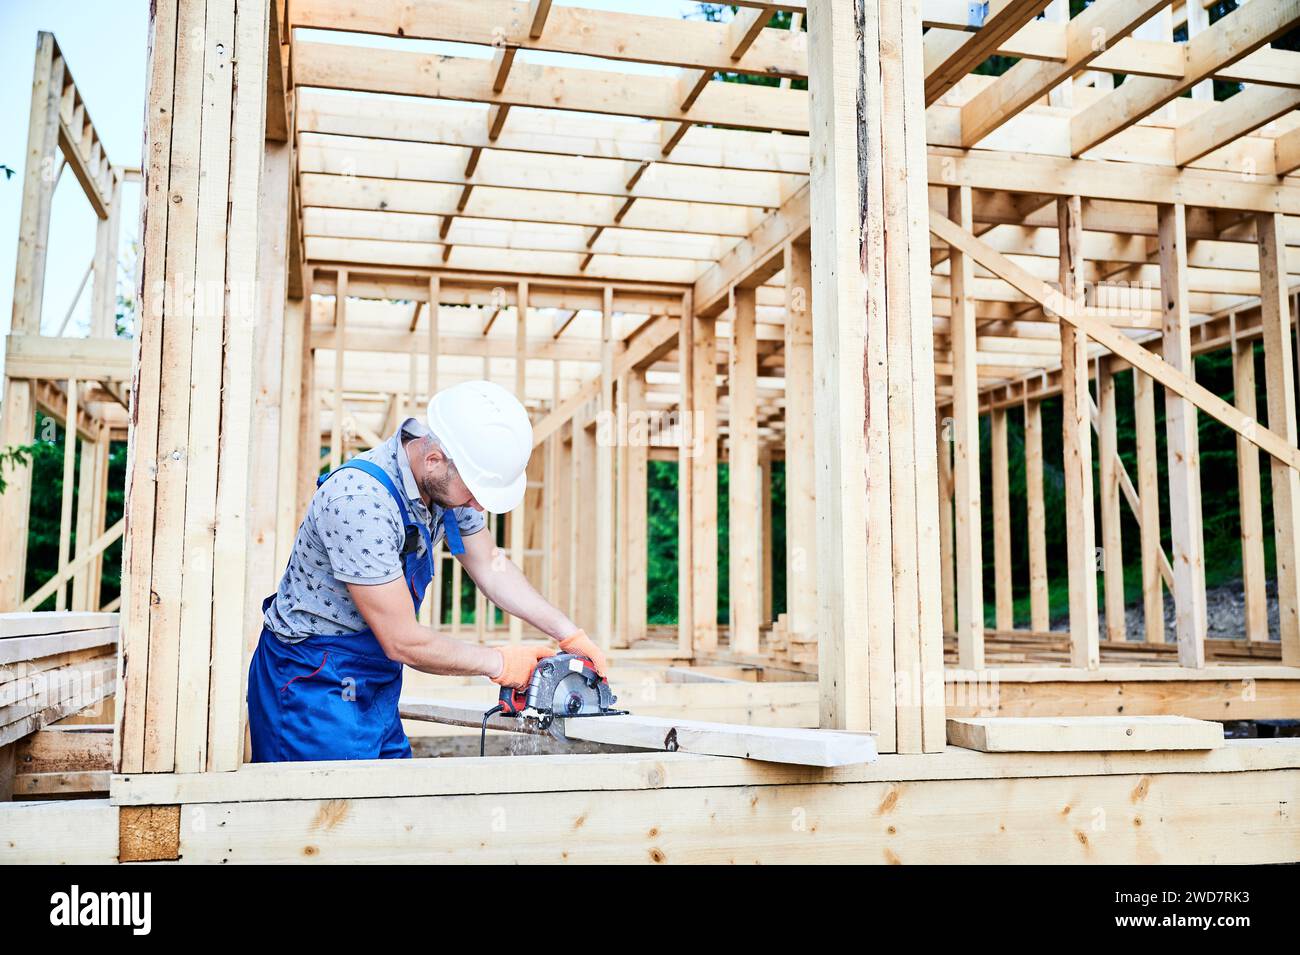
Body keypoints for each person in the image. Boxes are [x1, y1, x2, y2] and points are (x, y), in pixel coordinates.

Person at [246, 379, 606, 761]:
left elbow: (490, 565)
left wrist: (568, 634)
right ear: (434, 459)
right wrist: (501, 663)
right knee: (329, 813)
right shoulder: (359, 503)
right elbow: (402, 640)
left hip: (375, 676)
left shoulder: (447, 479)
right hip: (312, 682)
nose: (478, 507)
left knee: (391, 805)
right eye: (473, 494)